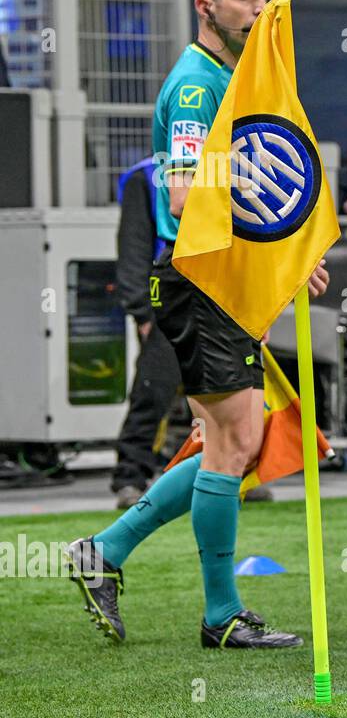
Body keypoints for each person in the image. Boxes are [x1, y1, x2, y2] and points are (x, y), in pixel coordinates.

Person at [65, 0, 329, 650]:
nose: (260, 8)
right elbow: (185, 191)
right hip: (199, 281)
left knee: (229, 444)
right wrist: (271, 241)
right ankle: (219, 616)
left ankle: (105, 551)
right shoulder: (194, 86)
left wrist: (279, 252)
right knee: (234, 444)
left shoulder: (231, 79)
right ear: (207, 6)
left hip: (222, 280)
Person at [109, 157, 183, 509]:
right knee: (153, 389)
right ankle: (130, 475)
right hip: (165, 299)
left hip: (217, 296)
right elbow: (134, 245)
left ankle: (238, 473)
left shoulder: (220, 166)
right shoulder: (147, 177)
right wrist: (141, 309)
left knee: (226, 392)